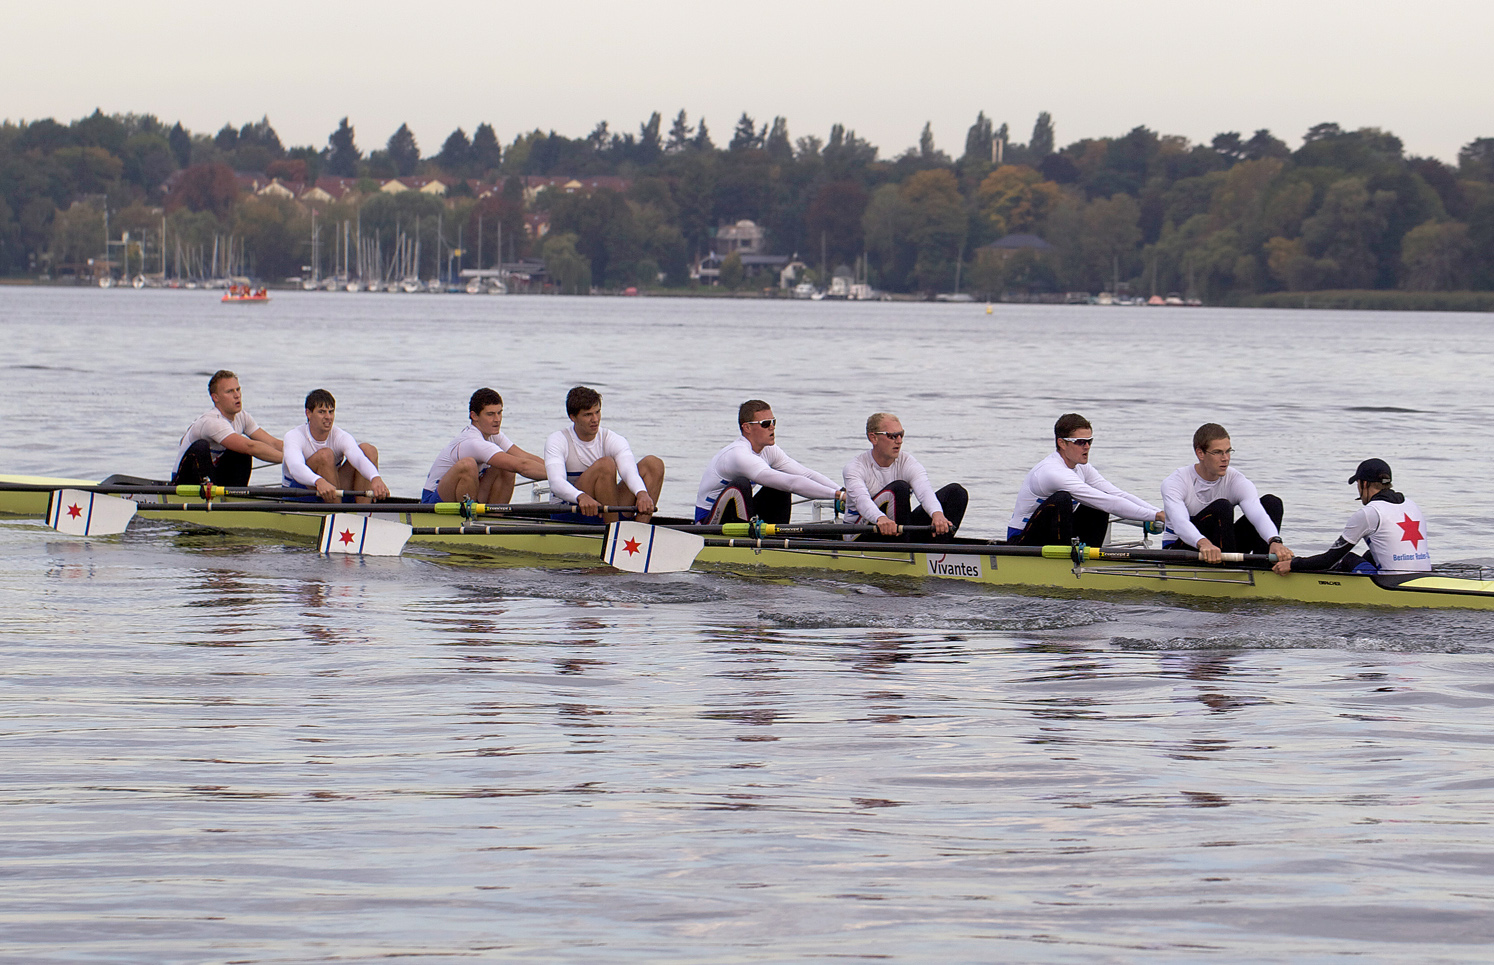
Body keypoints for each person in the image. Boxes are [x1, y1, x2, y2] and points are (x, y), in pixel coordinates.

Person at [1007, 413, 1163, 546]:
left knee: (1098, 503)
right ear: (1062, 443)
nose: (1087, 447)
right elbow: (1109, 502)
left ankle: (1088, 558)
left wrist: (1160, 513)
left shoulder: (1082, 467)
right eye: (1080, 442)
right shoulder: (1052, 472)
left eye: (1089, 441)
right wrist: (1156, 517)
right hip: (1022, 540)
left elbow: (1116, 494)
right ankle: (1065, 562)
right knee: (1063, 498)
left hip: (1052, 536)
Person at [1161, 423, 1294, 564]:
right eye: (1218, 452)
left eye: (1228, 451)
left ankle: (1263, 568)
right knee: (1222, 506)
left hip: (1221, 548)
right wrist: (1203, 543)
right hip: (1182, 550)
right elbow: (1180, 523)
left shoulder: (1235, 479)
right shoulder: (1176, 482)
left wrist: (1274, 540)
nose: (1225, 458)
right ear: (1200, 453)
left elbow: (1258, 514)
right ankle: (1230, 569)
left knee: (1272, 503)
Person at [694, 400, 844, 523]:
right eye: (765, 423)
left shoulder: (769, 450)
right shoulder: (738, 455)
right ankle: (749, 539)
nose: (772, 427)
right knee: (742, 484)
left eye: (773, 422)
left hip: (735, 514)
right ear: (747, 428)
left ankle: (777, 540)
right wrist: (838, 496)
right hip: (708, 521)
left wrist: (843, 492)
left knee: (779, 486)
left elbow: (806, 475)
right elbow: (792, 483)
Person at [1273, 458, 1430, 575]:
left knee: (1346, 558)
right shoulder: (1411, 504)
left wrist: (1293, 564)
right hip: (1423, 577)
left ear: (1364, 484)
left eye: (1357, 485)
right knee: (1371, 554)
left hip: (1391, 583)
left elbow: (1329, 559)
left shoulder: (1369, 512)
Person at [544, 386, 664, 523]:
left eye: (597, 412)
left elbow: (629, 471)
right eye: (588, 415)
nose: (595, 419)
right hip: (569, 511)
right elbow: (556, 483)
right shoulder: (558, 440)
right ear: (573, 417)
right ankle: (612, 532)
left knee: (653, 464)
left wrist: (641, 493)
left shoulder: (611, 438)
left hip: (604, 508)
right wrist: (580, 496)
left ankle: (637, 534)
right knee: (605, 464)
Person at [842, 412, 967, 539]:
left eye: (901, 435)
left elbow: (924, 492)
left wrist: (937, 514)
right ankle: (905, 550)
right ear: (873, 438)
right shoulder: (854, 468)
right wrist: (880, 518)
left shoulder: (907, 462)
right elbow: (862, 501)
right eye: (892, 436)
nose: (899, 441)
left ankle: (939, 552)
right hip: (859, 533)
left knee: (956, 492)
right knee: (900, 487)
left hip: (897, 529)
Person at [423, 388, 546, 503]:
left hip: (466, 494)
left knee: (506, 467)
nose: (497, 419)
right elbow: (522, 466)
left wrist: (560, 468)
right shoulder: (472, 442)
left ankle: (495, 519)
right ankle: (469, 519)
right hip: (433, 500)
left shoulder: (494, 435)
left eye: (499, 413)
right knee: (468, 465)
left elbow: (524, 457)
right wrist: (558, 476)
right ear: (474, 416)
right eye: (490, 414)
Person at [171, 369, 283, 486]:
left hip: (212, 476)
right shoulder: (212, 421)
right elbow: (250, 446)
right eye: (229, 391)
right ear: (215, 397)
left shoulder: (242, 417)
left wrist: (301, 454)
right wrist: (290, 460)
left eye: (238, 389)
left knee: (240, 453)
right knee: (204, 446)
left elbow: (273, 443)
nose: (237, 395)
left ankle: (235, 495)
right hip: (184, 480)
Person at [281, 389, 390, 504]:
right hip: (299, 493)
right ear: (308, 413)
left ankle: (364, 513)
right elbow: (295, 467)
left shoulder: (339, 435)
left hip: (331, 490)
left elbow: (358, 458)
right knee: (325, 455)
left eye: (331, 412)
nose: (328, 417)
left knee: (368, 450)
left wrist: (375, 477)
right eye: (322, 412)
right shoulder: (294, 436)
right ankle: (338, 512)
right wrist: (318, 481)